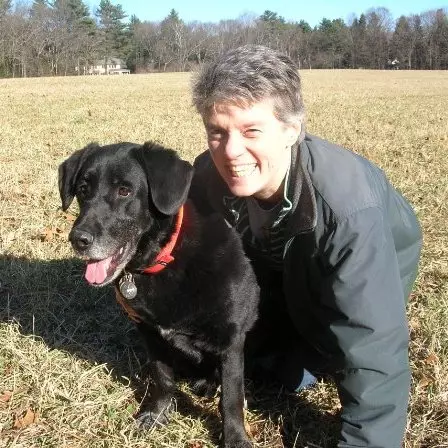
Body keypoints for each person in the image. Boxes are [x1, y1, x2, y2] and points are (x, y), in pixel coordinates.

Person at [190, 44, 422, 448]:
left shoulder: (349, 210)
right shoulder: (208, 173)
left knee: (295, 371)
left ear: (292, 129)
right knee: (242, 354)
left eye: (251, 131)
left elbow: (372, 341)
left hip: (358, 275)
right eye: (217, 131)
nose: (230, 152)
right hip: (280, 265)